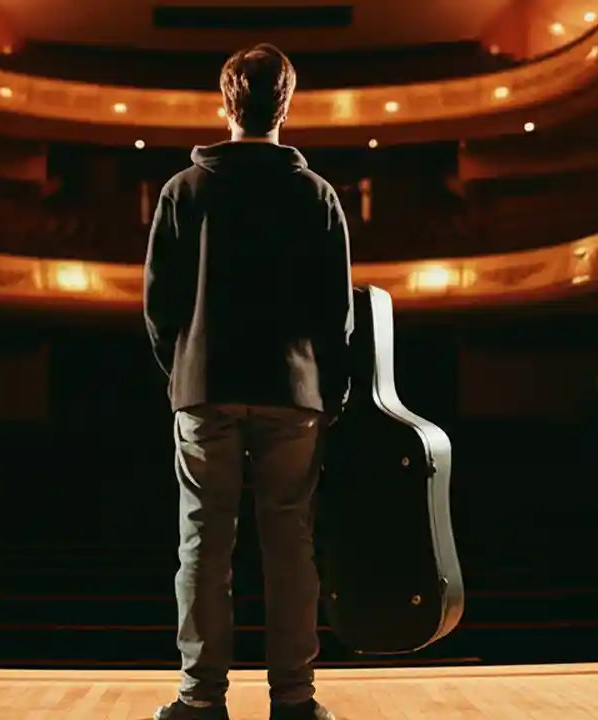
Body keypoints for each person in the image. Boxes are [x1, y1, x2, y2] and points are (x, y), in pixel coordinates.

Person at [144, 43, 352, 720]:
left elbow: (159, 308)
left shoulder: (184, 190)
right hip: (293, 393)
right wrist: (333, 391)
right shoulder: (315, 193)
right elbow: (334, 313)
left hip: (205, 386)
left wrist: (183, 374)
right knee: (290, 543)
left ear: (225, 105)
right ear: (285, 106)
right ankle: (294, 700)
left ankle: (200, 699)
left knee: (203, 543)